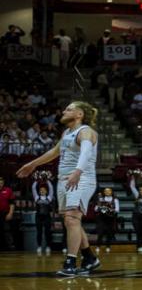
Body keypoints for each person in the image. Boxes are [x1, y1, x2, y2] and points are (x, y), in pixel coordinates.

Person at [17, 101, 100, 275]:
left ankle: (70, 262)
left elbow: (86, 152)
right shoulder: (66, 133)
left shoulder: (85, 131)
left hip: (81, 178)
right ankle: (89, 257)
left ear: (79, 114)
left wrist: (77, 171)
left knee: (71, 219)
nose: (63, 111)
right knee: (71, 220)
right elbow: (54, 152)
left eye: (69, 109)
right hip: (64, 179)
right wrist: (32, 164)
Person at [92, 187, 119, 251]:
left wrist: (109, 209)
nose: (107, 192)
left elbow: (117, 210)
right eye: (106, 191)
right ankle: (98, 246)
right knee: (100, 232)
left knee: (109, 233)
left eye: (109, 191)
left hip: (110, 218)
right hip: (101, 218)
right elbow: (95, 209)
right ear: (104, 192)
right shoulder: (101, 199)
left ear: (111, 192)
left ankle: (108, 246)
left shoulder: (115, 200)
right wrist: (99, 206)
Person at [33, 182, 56, 254]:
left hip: (47, 217)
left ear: (46, 191)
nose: (42, 191)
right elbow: (33, 188)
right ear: (39, 192)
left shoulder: (49, 198)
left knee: (47, 232)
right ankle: (39, 246)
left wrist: (47, 180)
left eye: (43, 190)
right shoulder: (37, 198)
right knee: (39, 232)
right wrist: (37, 180)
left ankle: (48, 246)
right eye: (40, 190)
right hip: (38, 217)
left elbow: (51, 188)